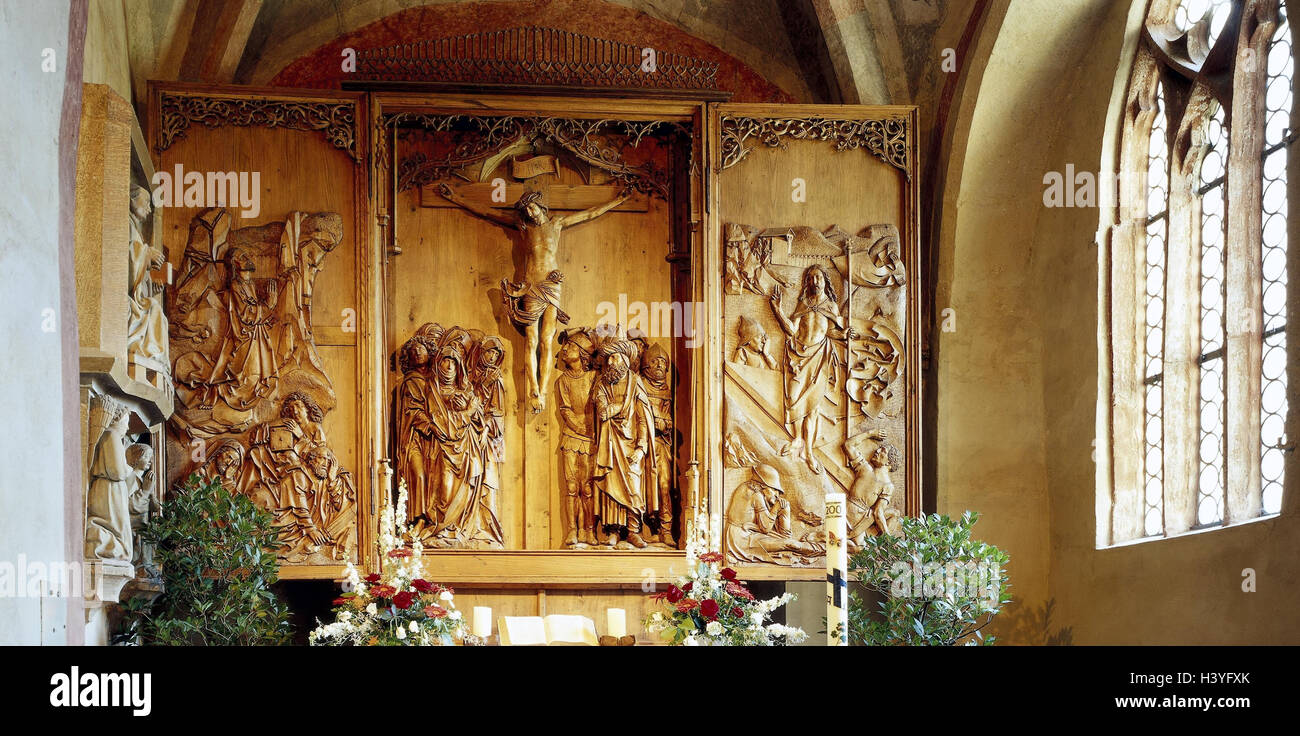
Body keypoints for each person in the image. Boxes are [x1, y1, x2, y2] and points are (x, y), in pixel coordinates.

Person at [436, 184, 630, 413]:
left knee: (548, 340)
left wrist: (617, 201)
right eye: (525, 209)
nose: (529, 212)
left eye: (532, 207)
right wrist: (456, 197)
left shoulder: (556, 224)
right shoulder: (523, 227)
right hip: (530, 287)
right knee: (531, 340)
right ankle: (533, 388)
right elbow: (490, 212)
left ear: (541, 206)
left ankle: (544, 391)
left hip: (551, 285)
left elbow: (589, 213)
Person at [769, 264, 854, 474]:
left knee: (813, 407)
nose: (814, 281)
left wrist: (845, 335)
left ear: (825, 281)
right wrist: (777, 310)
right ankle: (797, 438)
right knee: (793, 397)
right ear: (807, 283)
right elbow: (791, 330)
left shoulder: (831, 306)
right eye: (811, 278)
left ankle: (808, 450)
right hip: (799, 355)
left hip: (819, 358)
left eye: (818, 278)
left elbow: (831, 331)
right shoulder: (803, 304)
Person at [589, 341, 657, 548]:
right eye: (609, 358)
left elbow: (643, 417)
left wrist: (641, 447)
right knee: (611, 485)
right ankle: (613, 531)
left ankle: (634, 530)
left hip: (632, 443)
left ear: (625, 360)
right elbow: (602, 410)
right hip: (610, 443)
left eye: (615, 357)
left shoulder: (635, 382)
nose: (611, 362)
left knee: (633, 485)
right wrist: (617, 407)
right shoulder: (601, 383)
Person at [724, 465, 824, 565]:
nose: (776, 494)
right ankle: (824, 548)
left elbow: (782, 534)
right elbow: (766, 528)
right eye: (774, 489)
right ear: (763, 486)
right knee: (791, 544)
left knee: (787, 537)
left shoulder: (748, 487)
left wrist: (785, 510)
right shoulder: (756, 495)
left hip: (748, 532)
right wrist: (776, 509)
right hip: (742, 540)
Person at [555, 336, 596, 546]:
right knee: (571, 486)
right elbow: (565, 409)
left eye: (570, 346)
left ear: (581, 353)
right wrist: (579, 427)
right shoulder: (563, 380)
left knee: (587, 488)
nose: (565, 350)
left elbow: (597, 405)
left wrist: (590, 428)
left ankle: (588, 530)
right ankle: (572, 529)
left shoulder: (592, 378)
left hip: (590, 438)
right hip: (571, 436)